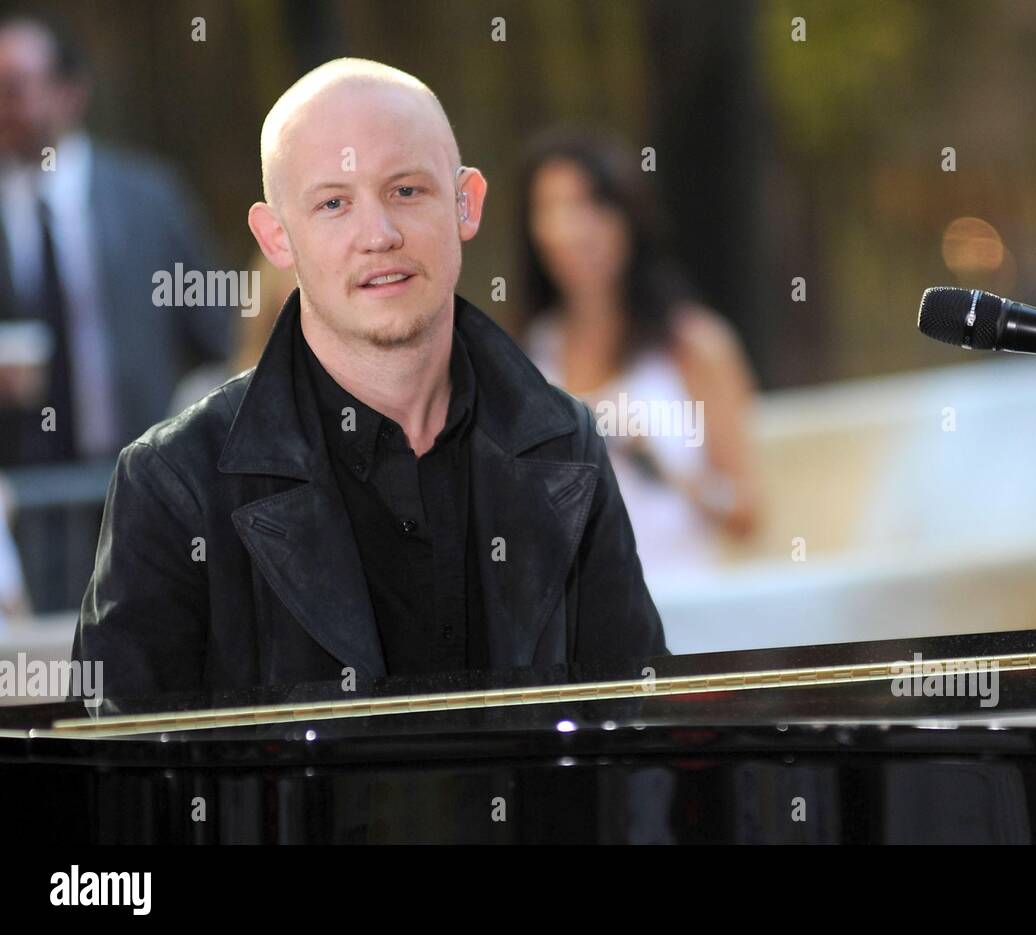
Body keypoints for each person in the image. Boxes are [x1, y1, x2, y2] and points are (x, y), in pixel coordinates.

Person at [72, 58, 666, 702]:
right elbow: (118, 775)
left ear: (466, 204)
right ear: (276, 238)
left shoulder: (562, 444)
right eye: (333, 204)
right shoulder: (176, 482)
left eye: (406, 190)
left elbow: (636, 733)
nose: (378, 235)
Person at [517, 130, 760, 583]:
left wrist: (654, 461)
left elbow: (749, 517)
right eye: (552, 208)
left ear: (628, 216)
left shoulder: (694, 344)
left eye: (592, 204)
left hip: (686, 619)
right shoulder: (525, 356)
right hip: (574, 631)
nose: (573, 228)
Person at [0, 11, 230, 465]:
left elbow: (220, 336)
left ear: (70, 92)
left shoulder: (148, 200)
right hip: (15, 495)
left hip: (141, 476)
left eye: (13, 87)